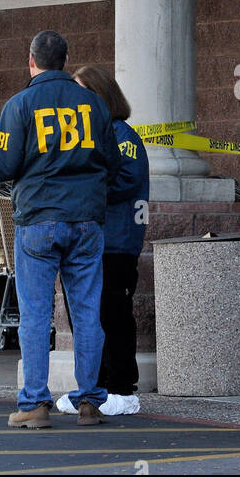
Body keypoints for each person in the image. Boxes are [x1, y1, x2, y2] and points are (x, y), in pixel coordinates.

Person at [0, 30, 123, 429]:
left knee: (35, 313)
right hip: (86, 222)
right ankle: (90, 402)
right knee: (86, 312)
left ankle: (34, 404)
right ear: (64, 60)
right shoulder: (95, 105)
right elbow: (113, 165)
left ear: (31, 60)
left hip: (38, 222)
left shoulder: (20, 104)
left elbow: (2, 166)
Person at [56, 65, 149, 417]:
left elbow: (125, 181)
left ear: (101, 95)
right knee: (86, 318)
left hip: (116, 242)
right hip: (87, 242)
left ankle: (121, 388)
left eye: (84, 95)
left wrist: (80, 185)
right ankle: (92, 386)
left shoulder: (121, 134)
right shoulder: (92, 136)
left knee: (113, 314)